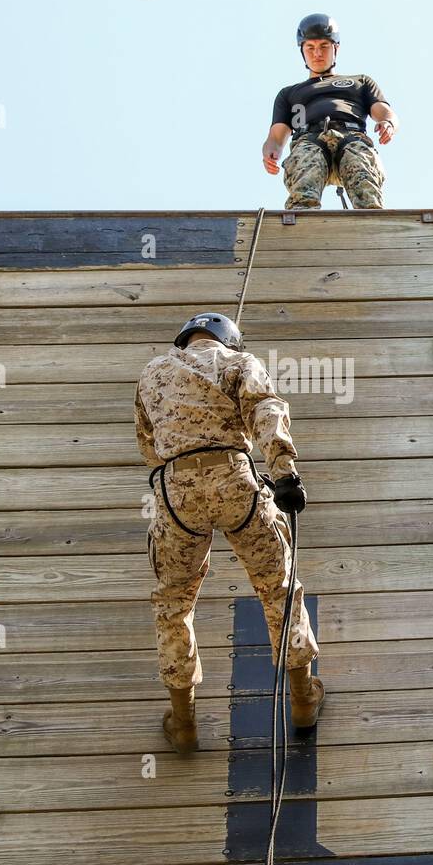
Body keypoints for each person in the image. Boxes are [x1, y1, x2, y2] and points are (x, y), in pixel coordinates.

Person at [134, 311, 324, 752]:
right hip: (234, 481)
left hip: (176, 490)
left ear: (184, 340)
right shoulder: (241, 363)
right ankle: (301, 699)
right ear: (228, 341)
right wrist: (284, 474)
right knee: (278, 588)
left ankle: (184, 723)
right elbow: (265, 411)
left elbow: (147, 443)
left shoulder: (152, 371)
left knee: (174, 601)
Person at [262, 13, 398, 210]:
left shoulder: (360, 82)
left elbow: (384, 112)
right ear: (302, 50)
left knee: (359, 160)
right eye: (310, 47)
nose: (317, 53)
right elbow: (275, 136)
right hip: (309, 140)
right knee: (306, 162)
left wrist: (388, 123)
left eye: (324, 46)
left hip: (351, 137)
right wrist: (271, 152)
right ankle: (302, 222)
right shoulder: (289, 94)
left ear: (336, 48)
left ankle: (371, 217)